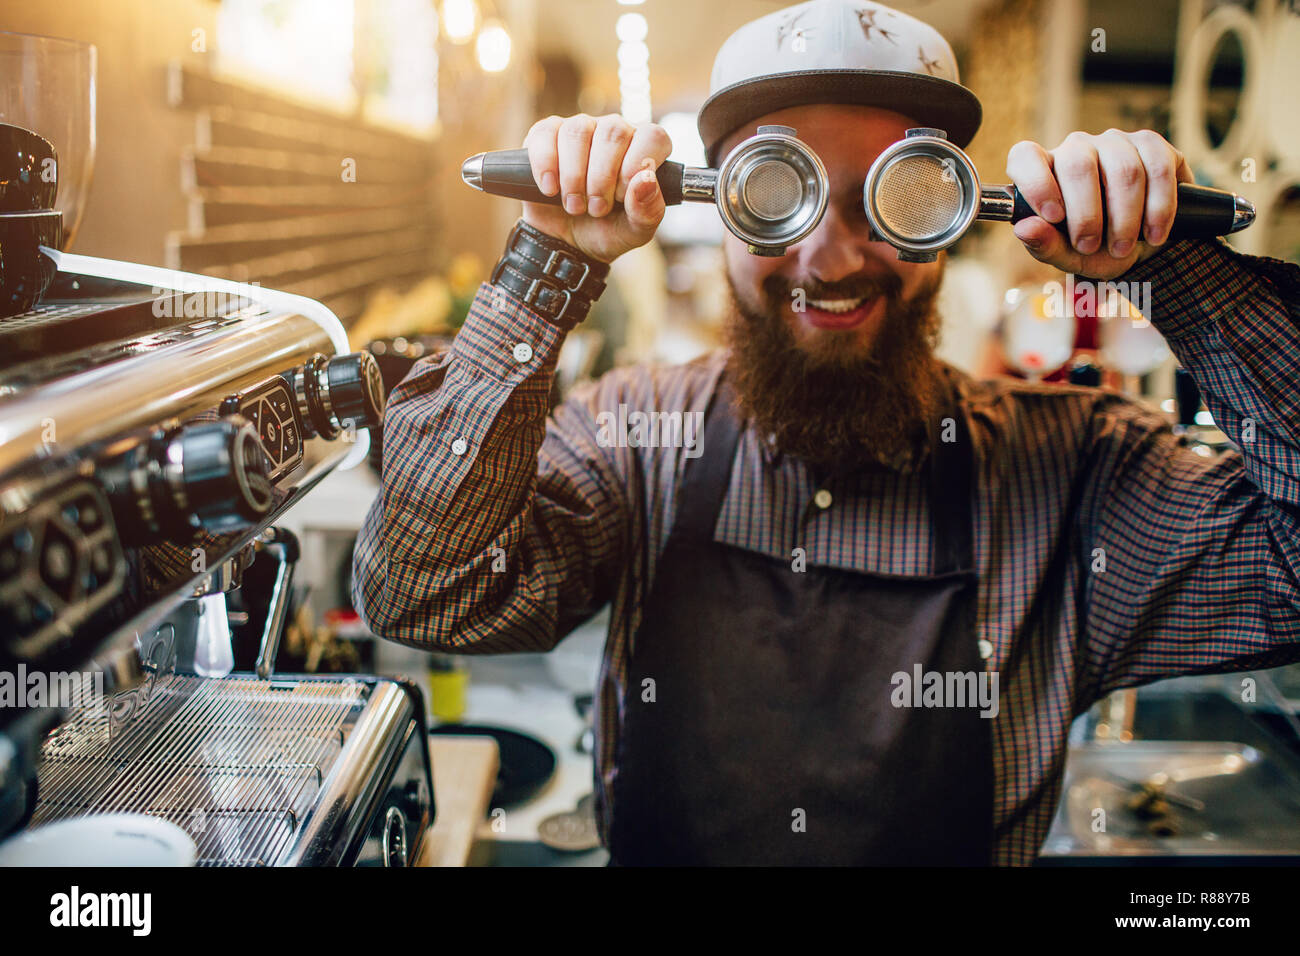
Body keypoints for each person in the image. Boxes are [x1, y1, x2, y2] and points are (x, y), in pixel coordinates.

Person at [353, 0, 1300, 864]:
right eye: (777, 193)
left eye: (899, 199)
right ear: (717, 207)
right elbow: (424, 596)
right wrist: (543, 269)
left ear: (956, 215)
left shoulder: (1073, 476)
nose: (829, 255)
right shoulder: (636, 437)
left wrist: (1178, 272)